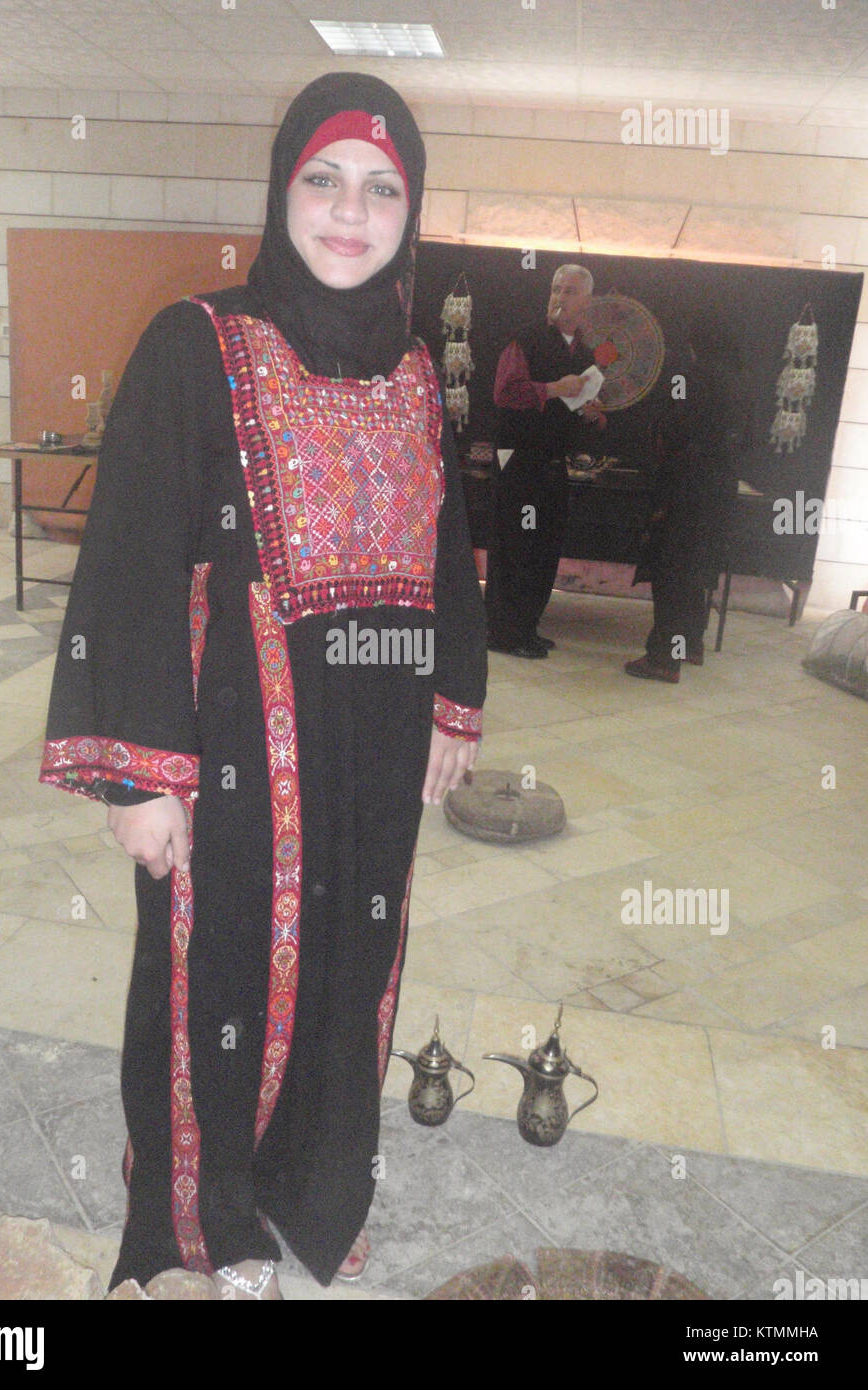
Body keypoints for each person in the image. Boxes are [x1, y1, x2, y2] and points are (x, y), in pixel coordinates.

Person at [39, 72, 487, 1300]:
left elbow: (448, 544)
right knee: (211, 976)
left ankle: (310, 1184)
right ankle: (198, 1225)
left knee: (352, 960)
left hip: (377, 740)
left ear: (412, 209)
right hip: (235, 740)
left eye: (382, 188)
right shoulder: (197, 344)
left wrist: (455, 693)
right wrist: (139, 772)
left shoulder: (410, 371)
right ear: (283, 188)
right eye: (325, 181)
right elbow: (130, 553)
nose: (352, 212)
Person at [484, 264, 606, 658]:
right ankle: (503, 632)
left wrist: (587, 408)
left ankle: (527, 626)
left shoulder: (584, 354)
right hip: (519, 460)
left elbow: (569, 406)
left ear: (586, 301)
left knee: (543, 547)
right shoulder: (527, 339)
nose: (559, 297)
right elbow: (505, 393)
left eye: (569, 291)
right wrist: (554, 389)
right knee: (516, 545)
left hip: (552, 463)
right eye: (555, 289)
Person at [625, 314, 749, 683]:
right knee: (699, 570)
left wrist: (658, 434)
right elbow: (748, 441)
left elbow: (675, 425)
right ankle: (691, 643)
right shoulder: (742, 383)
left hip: (686, 489)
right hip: (722, 489)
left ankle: (663, 658)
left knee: (673, 571)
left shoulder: (691, 377)